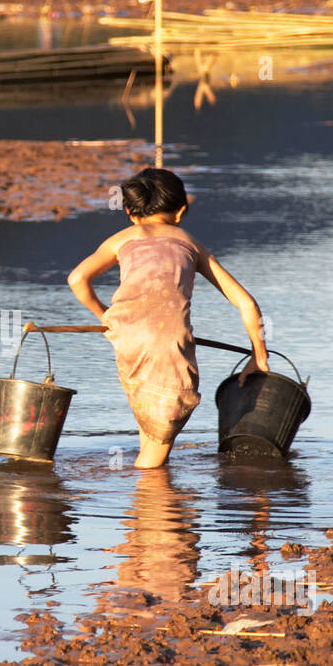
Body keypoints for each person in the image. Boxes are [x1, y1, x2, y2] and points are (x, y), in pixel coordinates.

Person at [67, 168, 269, 468]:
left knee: (151, 430)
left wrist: (105, 317)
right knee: (156, 455)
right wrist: (259, 356)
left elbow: (77, 278)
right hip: (169, 346)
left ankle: (142, 513)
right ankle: (148, 499)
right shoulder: (189, 243)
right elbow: (247, 303)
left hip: (127, 342)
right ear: (181, 210)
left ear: (130, 211)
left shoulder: (121, 239)